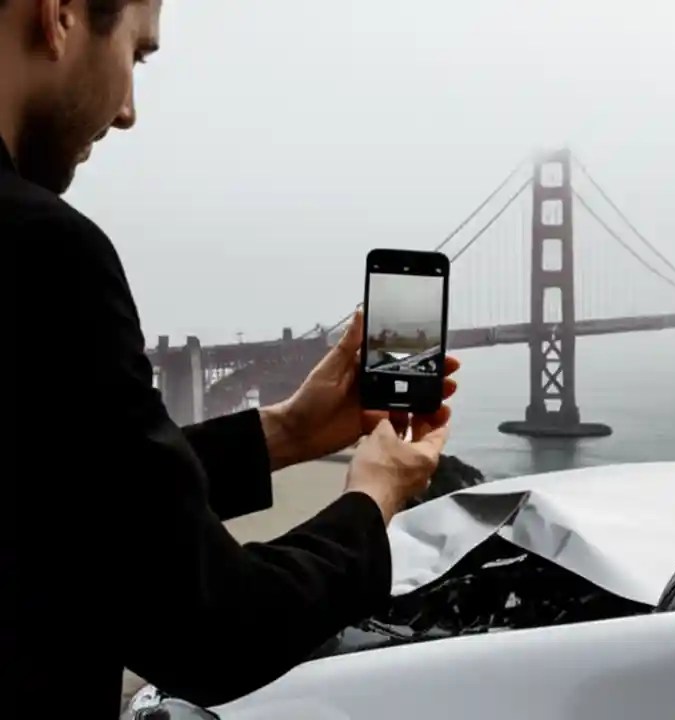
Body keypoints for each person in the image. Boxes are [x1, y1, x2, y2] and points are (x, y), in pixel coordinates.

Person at [0, 1, 459, 716]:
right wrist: (374, 500)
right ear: (59, 15)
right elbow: (213, 629)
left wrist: (286, 433)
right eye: (138, 54)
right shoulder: (44, 251)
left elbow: (69, 502)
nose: (127, 110)